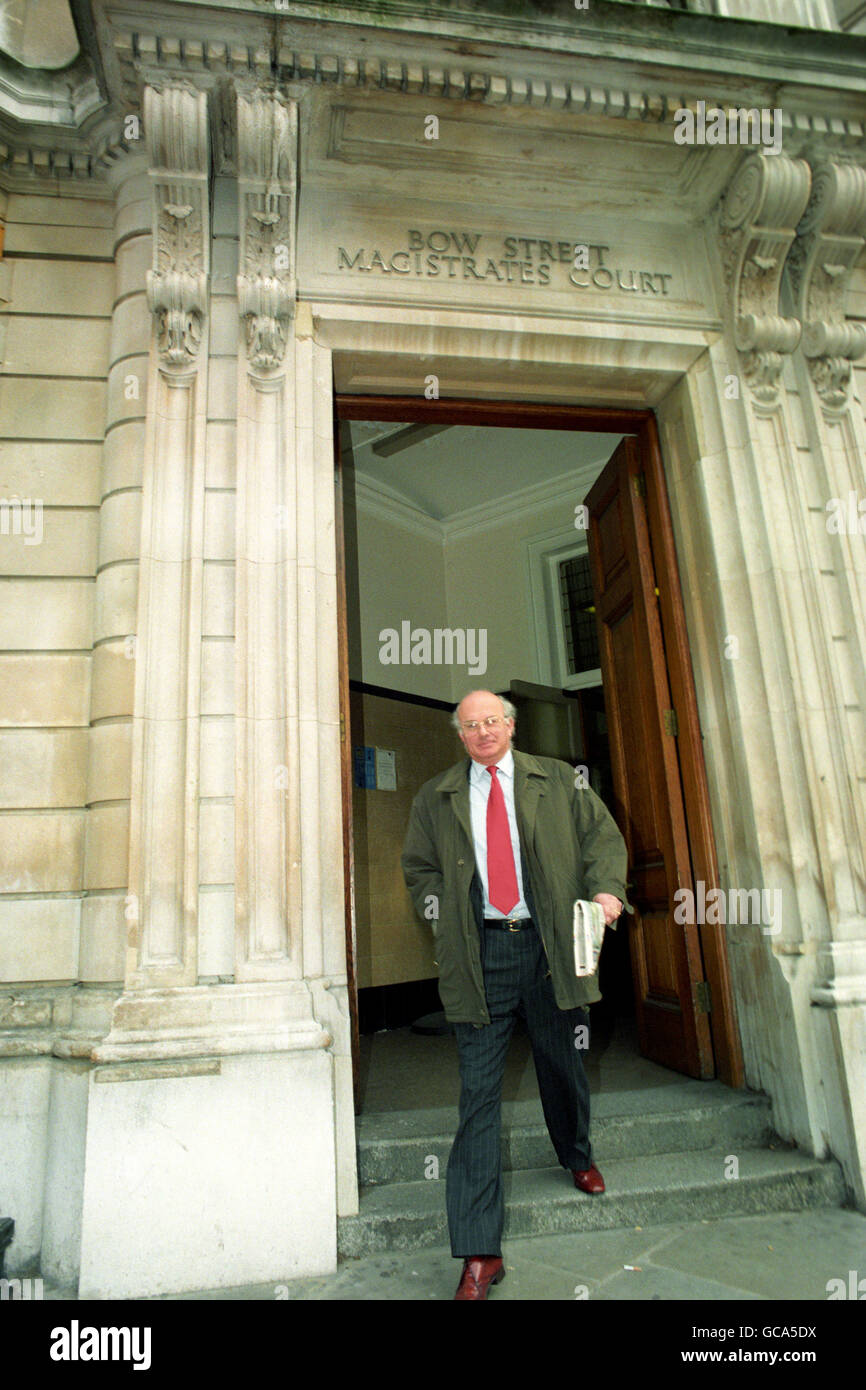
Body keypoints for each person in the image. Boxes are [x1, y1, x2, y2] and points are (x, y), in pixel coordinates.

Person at [401, 688, 629, 1301]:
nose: (483, 732)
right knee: (478, 1093)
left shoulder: (557, 780)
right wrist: (444, 915)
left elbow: (602, 840)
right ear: (460, 734)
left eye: (492, 721)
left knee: (561, 1063)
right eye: (471, 725)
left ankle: (575, 1152)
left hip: (549, 946)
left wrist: (607, 891)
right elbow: (418, 868)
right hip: (481, 955)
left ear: (511, 724)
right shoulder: (438, 795)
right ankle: (479, 1251)